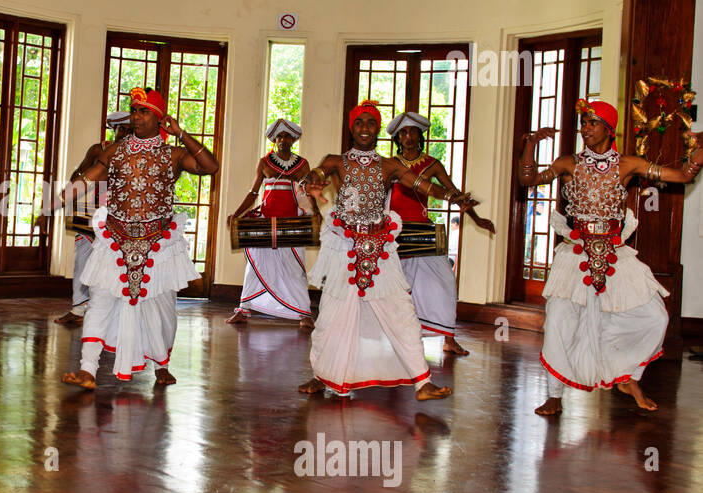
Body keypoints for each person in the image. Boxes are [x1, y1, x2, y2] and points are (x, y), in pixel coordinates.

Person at [519, 99, 703, 415]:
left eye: (591, 122)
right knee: (560, 323)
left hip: (614, 254)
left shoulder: (628, 164)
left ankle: (628, 377)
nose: (585, 128)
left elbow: (684, 177)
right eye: (583, 123)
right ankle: (554, 394)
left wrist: (697, 158)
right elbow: (527, 181)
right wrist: (531, 146)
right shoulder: (568, 163)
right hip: (574, 255)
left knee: (654, 317)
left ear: (608, 127)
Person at [298, 101, 474, 401]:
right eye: (359, 122)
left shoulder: (389, 166)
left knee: (402, 312)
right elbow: (318, 171)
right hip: (345, 248)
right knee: (331, 316)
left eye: (371, 122)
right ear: (351, 128)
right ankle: (320, 375)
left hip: (380, 249)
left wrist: (453, 196)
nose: (365, 128)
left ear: (378, 128)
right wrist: (314, 176)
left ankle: (423, 383)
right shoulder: (336, 161)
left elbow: (422, 185)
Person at [60, 88, 218, 389]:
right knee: (100, 301)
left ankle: (162, 366)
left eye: (143, 111)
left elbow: (210, 167)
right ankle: (87, 370)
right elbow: (89, 177)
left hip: (157, 243)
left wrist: (182, 133)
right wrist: (63, 196)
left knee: (159, 310)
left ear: (159, 118)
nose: (135, 116)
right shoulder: (115, 150)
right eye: (134, 111)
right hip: (115, 239)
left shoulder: (173, 154)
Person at [387, 111, 495, 355]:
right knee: (393, 286)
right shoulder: (390, 165)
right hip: (394, 234)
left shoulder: (433, 165)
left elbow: (456, 195)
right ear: (398, 137)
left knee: (445, 281)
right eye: (403, 132)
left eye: (413, 131)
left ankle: (448, 337)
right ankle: (394, 335)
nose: (408, 136)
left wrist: (478, 220)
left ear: (420, 135)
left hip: (423, 232)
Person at [225, 117, 316, 328]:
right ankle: (243, 309)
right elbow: (253, 193)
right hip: (265, 223)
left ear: (293, 139)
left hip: (292, 224)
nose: (283, 139)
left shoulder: (303, 165)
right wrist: (237, 213)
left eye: (287, 136)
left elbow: (309, 193)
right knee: (256, 266)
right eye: (279, 136)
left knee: (295, 267)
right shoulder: (265, 162)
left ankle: (304, 314)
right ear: (274, 140)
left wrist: (316, 214)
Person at [55, 109, 132, 327]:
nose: (125, 133)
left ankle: (114, 312)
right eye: (122, 129)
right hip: (89, 209)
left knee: (117, 262)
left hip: (119, 215)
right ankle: (78, 309)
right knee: (82, 259)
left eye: (129, 129)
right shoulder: (100, 149)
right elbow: (77, 175)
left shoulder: (137, 153)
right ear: (113, 129)